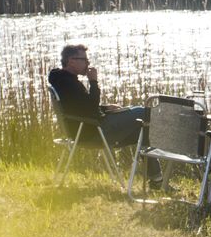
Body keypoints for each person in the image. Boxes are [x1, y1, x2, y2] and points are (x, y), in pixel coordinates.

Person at [48, 43, 159, 183]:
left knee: (143, 133)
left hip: (85, 130)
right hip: (93, 132)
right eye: (84, 60)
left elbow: (82, 108)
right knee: (143, 112)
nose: (87, 63)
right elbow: (90, 108)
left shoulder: (62, 80)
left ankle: (156, 180)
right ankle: (172, 124)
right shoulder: (68, 83)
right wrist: (93, 82)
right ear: (71, 61)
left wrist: (106, 108)